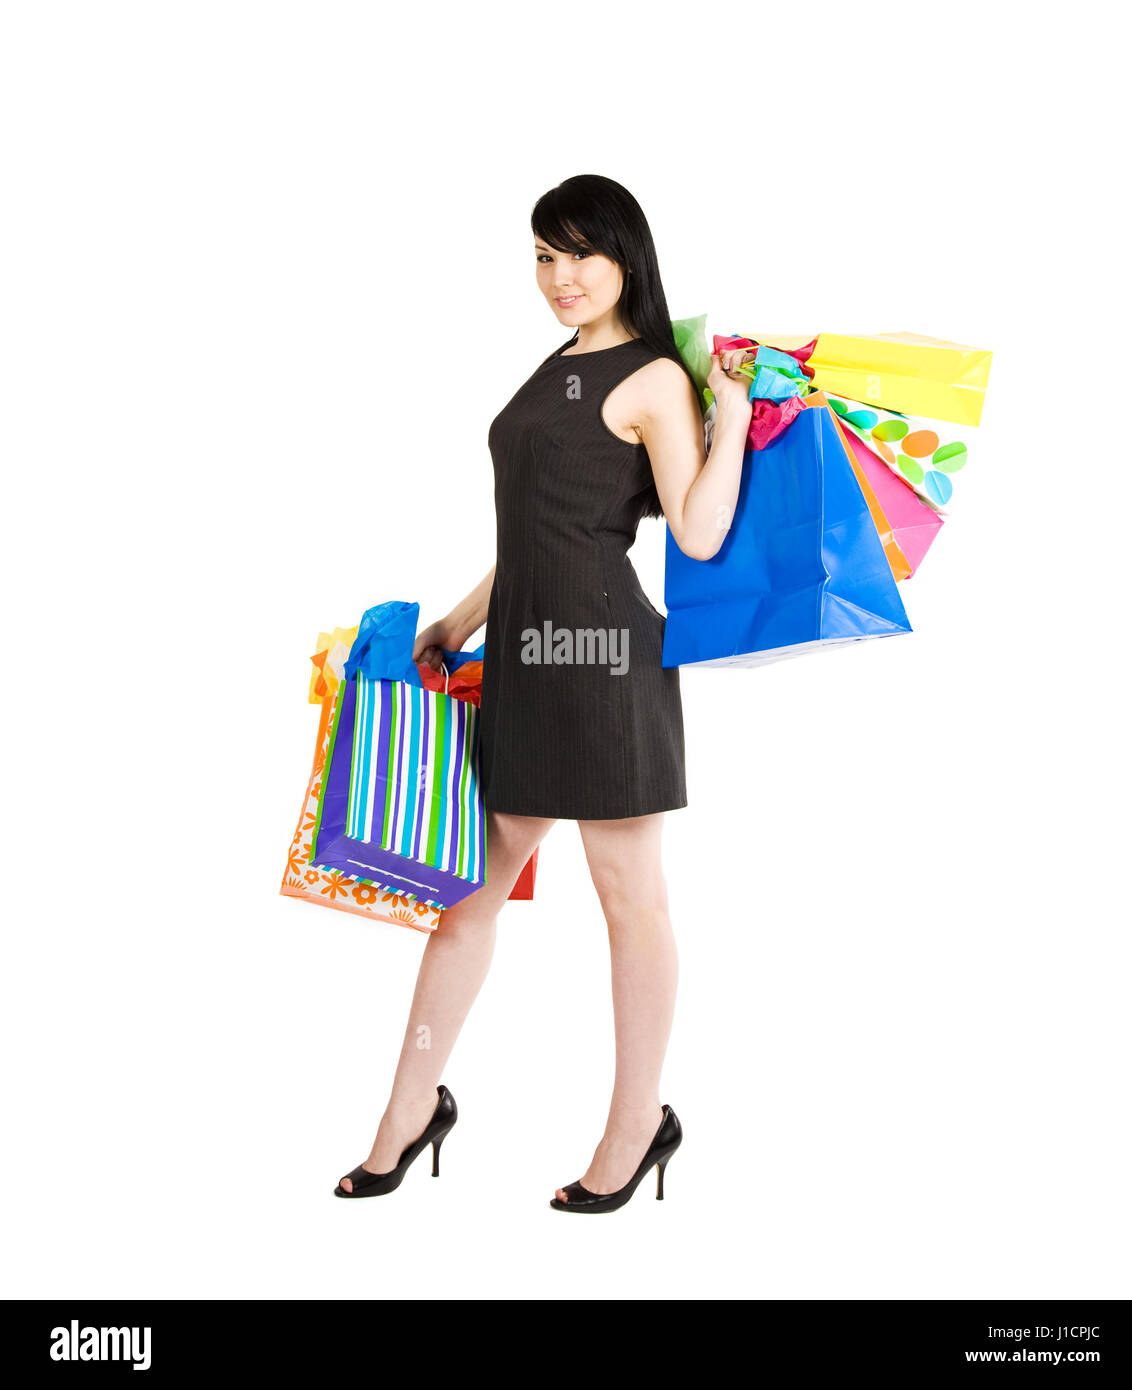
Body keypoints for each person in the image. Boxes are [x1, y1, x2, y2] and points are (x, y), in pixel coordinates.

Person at [334, 173, 754, 1211]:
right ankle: (408, 1109)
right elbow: (535, 532)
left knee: (628, 902)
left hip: (608, 667)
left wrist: (731, 416)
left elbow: (694, 531)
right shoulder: (561, 364)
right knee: (468, 892)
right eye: (541, 256)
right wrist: (455, 623)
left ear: (625, 257)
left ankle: (636, 1124)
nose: (558, 277)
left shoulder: (654, 375)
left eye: (578, 255)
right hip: (525, 657)